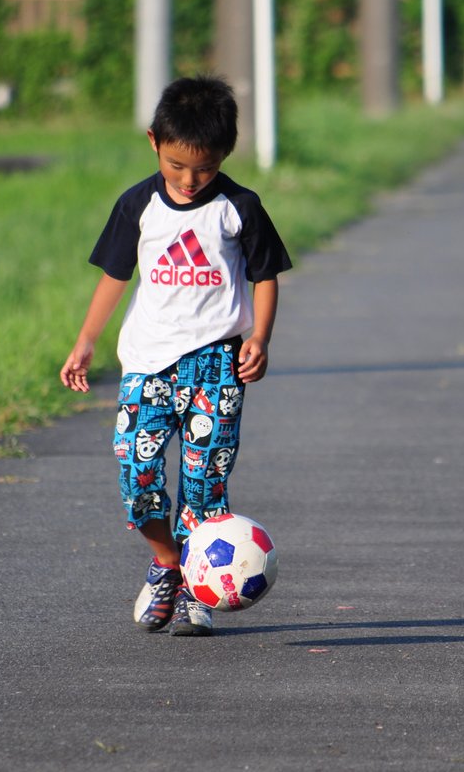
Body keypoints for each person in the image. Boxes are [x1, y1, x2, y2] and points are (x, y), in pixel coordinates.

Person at [60, 76, 292, 637]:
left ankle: (196, 587)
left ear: (225, 155)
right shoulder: (138, 204)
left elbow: (265, 277)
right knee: (136, 476)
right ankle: (167, 561)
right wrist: (86, 340)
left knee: (204, 488)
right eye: (176, 166)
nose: (190, 181)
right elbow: (116, 276)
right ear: (153, 143)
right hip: (148, 364)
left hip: (217, 364)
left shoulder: (240, 207)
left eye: (205, 169)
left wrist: (259, 337)